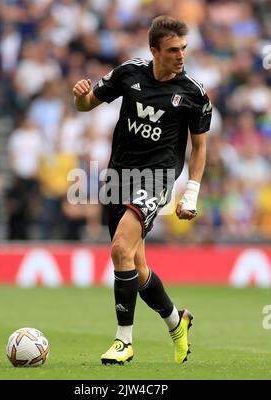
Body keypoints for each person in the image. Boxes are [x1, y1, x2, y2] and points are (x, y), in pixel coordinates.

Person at [72, 15, 212, 365]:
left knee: (120, 249)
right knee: (136, 266)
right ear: (154, 51)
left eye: (183, 49)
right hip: (118, 176)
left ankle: (124, 341)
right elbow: (88, 103)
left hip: (157, 178)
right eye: (173, 50)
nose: (181, 56)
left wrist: (191, 192)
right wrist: (78, 98)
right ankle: (176, 320)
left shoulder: (193, 93)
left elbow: (199, 147)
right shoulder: (129, 73)